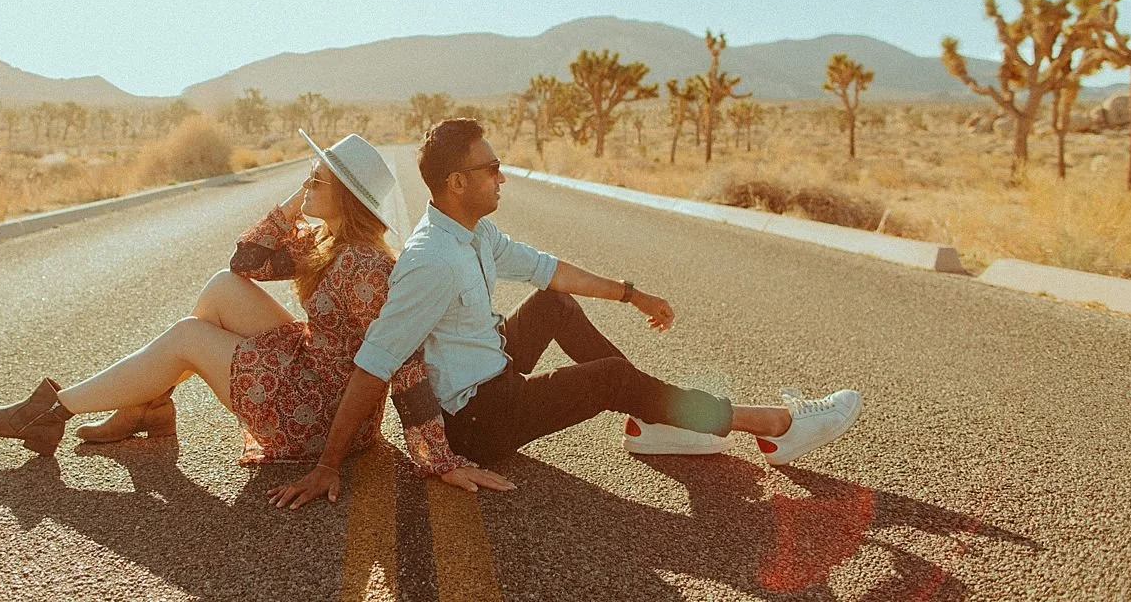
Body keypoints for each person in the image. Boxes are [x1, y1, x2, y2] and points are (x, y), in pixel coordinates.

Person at [269, 118, 864, 509]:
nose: (502, 176)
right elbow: (376, 364)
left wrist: (632, 294)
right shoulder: (431, 261)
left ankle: (656, 418)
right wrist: (327, 466)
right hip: (477, 420)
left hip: (493, 372)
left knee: (554, 304)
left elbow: (549, 271)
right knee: (611, 380)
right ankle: (775, 425)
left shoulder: (471, 232)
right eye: (490, 169)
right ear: (456, 181)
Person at [0, 131, 491, 489]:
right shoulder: (327, 241)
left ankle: (49, 414)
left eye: (316, 180)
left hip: (321, 412)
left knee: (188, 337)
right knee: (221, 287)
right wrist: (296, 201)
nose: (306, 185)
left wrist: (437, 458)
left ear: (348, 199)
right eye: (308, 176)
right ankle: (148, 407)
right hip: (311, 367)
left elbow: (403, 361)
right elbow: (245, 262)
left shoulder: (364, 265)